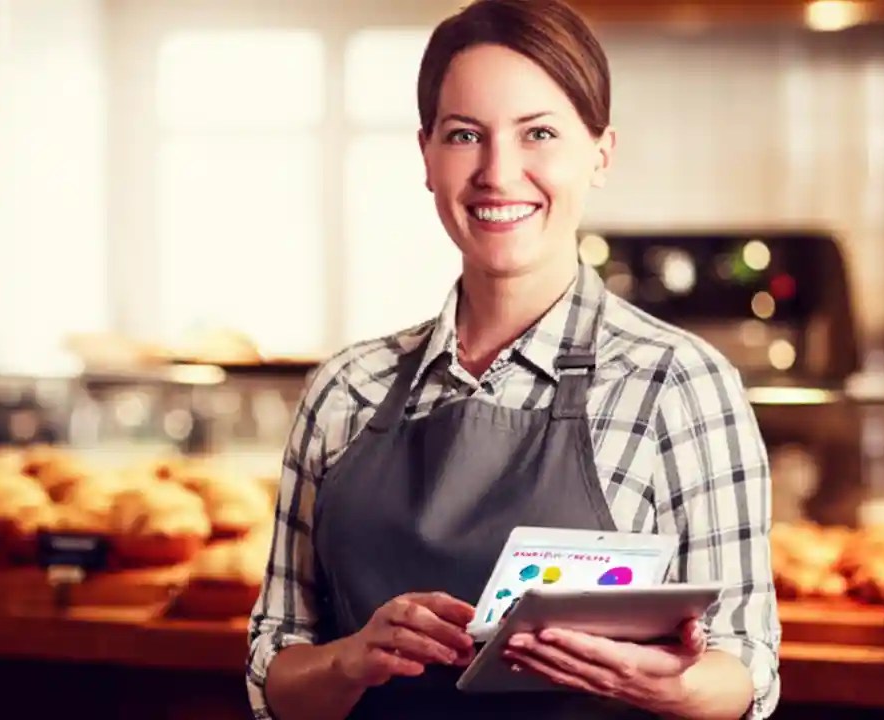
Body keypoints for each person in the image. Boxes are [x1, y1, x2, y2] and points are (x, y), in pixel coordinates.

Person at [246, 0, 780, 717]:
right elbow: (275, 678)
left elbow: (747, 665)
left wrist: (671, 686)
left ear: (600, 153)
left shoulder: (680, 384)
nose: (499, 173)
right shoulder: (346, 388)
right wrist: (351, 659)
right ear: (427, 157)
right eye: (465, 134)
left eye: (540, 134)